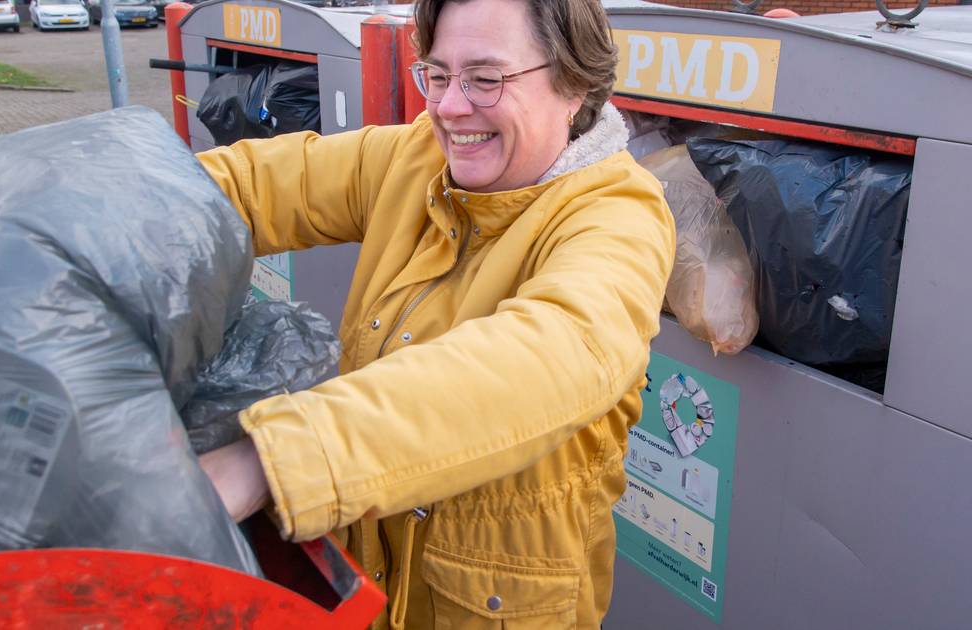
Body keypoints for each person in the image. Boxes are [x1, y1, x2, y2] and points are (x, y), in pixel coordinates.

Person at [196, 0, 675, 627]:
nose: (449, 108)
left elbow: (547, 359)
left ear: (573, 84)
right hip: (369, 590)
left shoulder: (618, 218)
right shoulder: (420, 159)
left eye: (485, 78)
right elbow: (262, 184)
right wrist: (104, 201)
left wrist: (268, 459)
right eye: (439, 74)